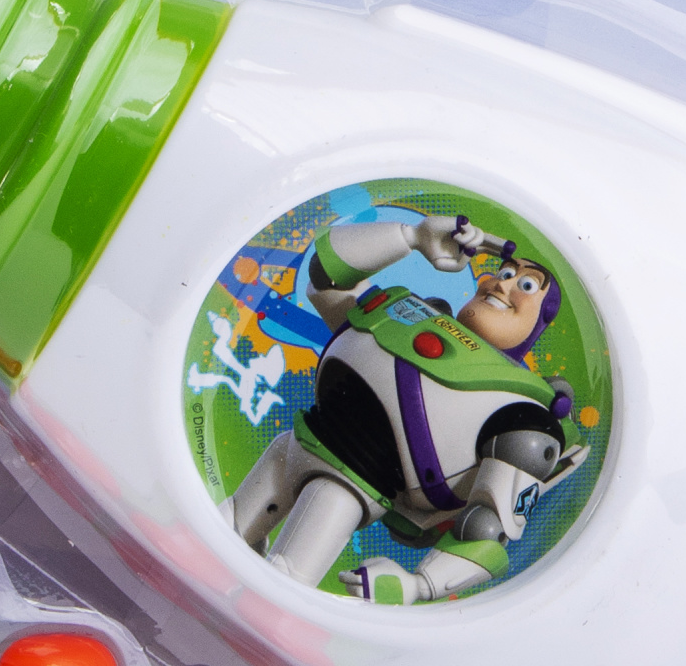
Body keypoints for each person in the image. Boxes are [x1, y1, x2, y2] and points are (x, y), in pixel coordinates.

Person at [225, 212, 588, 603]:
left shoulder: (525, 414)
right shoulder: (406, 312)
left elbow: (487, 530)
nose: (503, 284)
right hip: (292, 447)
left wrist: (418, 585)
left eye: (526, 285)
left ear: (539, 320)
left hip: (350, 488)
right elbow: (326, 275)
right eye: (505, 272)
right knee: (221, 530)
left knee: (279, 589)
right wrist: (412, 237)